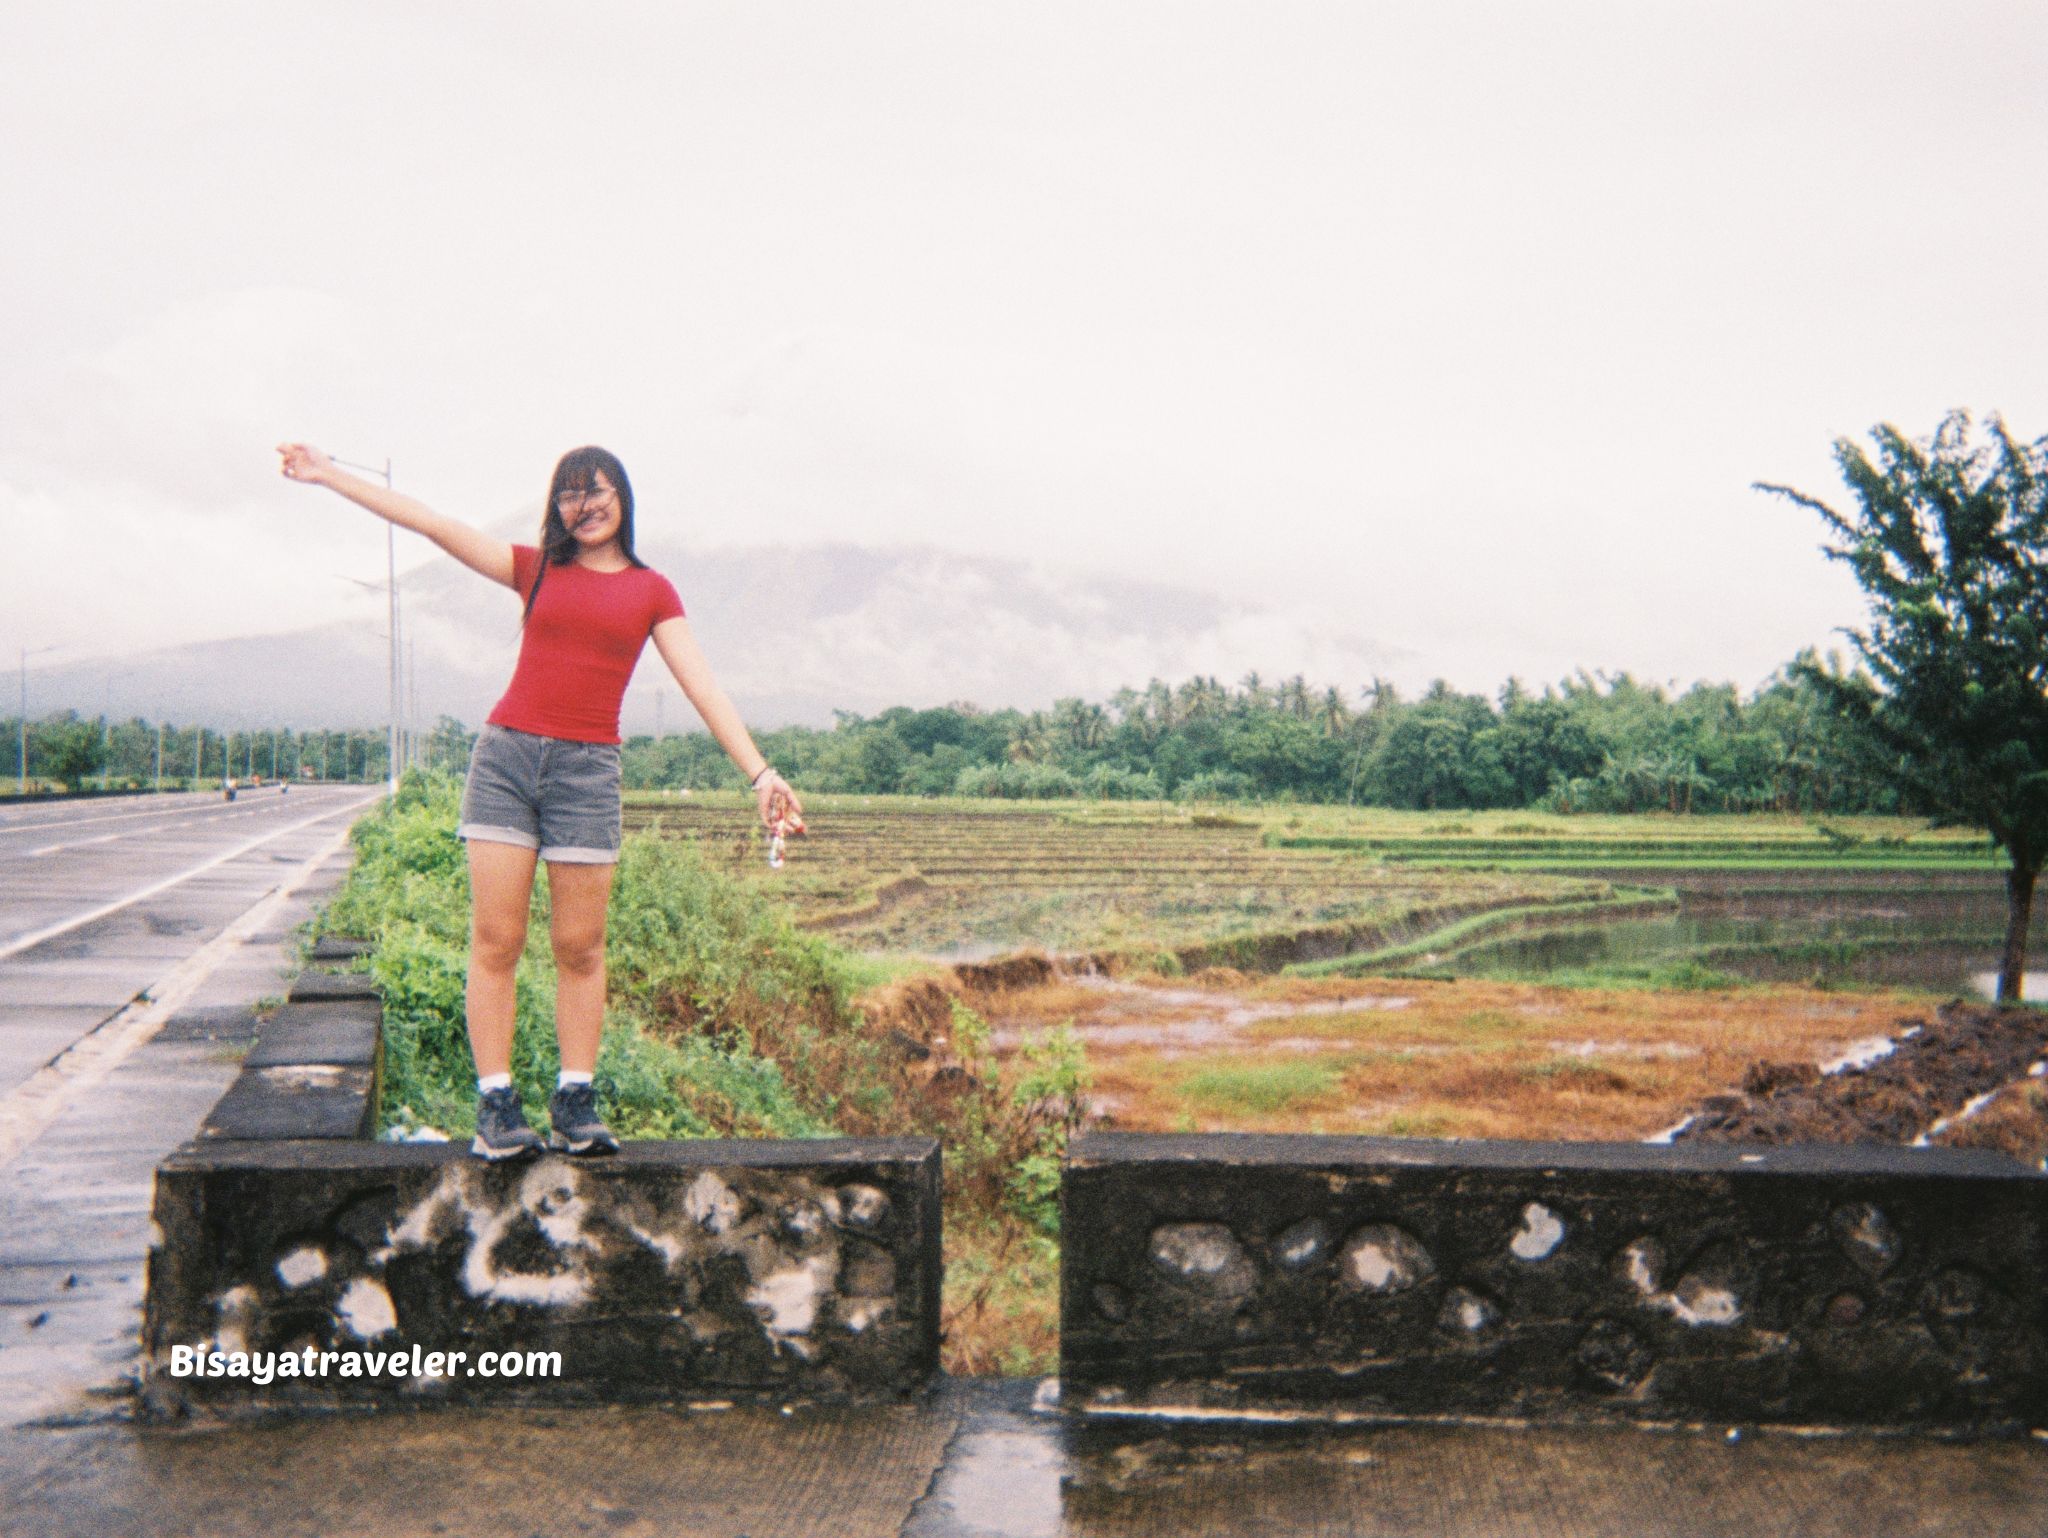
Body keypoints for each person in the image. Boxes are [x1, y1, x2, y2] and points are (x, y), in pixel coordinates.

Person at [276, 442, 803, 1160]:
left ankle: (574, 1099)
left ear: (623, 498)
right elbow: (432, 524)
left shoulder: (653, 591)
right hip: (507, 760)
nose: (584, 507)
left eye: (598, 492)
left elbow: (701, 685)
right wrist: (330, 474)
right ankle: (496, 1103)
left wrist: (761, 774)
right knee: (498, 940)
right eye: (569, 495)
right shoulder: (537, 570)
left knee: (579, 947)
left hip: (588, 774)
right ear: (555, 506)